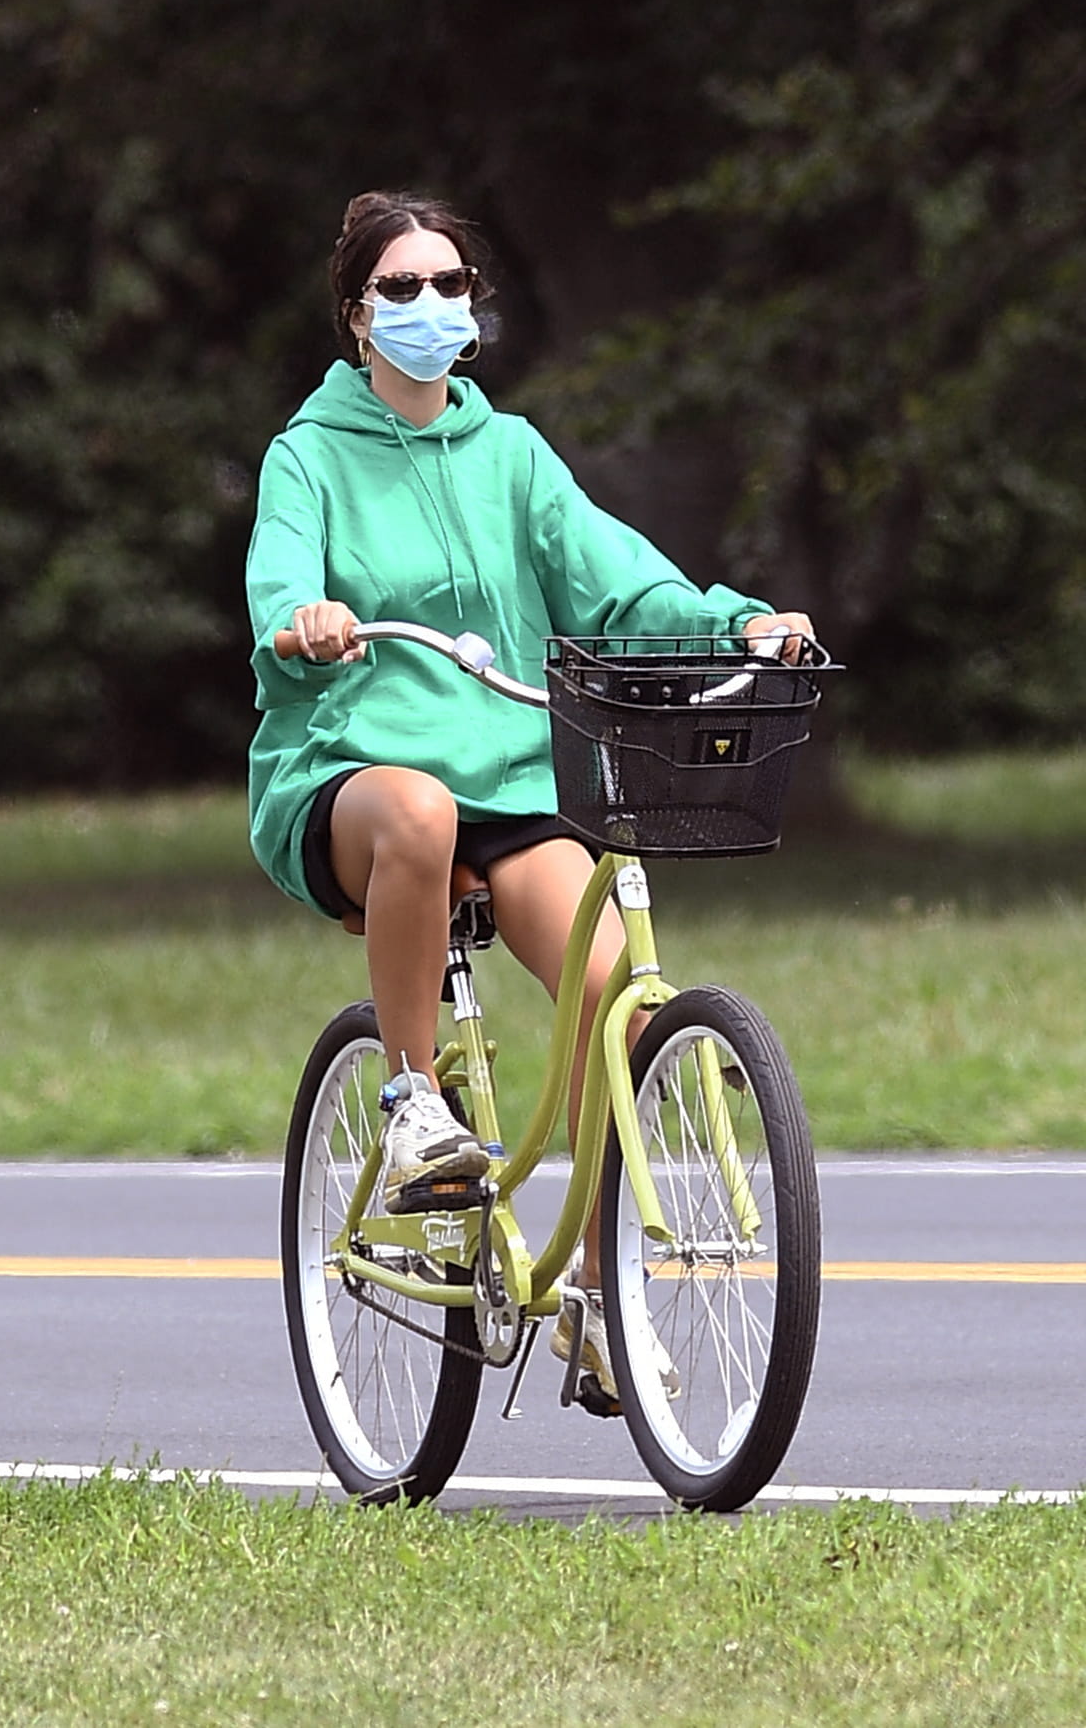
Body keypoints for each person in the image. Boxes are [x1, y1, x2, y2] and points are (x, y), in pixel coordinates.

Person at [246, 189, 814, 1411]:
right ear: (356, 317)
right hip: (352, 766)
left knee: (617, 999)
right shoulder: (309, 456)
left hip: (507, 770)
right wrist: (307, 619)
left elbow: (616, 578)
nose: (432, 308)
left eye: (450, 286)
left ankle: (600, 1301)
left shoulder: (509, 454)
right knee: (417, 816)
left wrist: (739, 620)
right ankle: (409, 1103)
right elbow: (279, 578)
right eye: (402, 289)